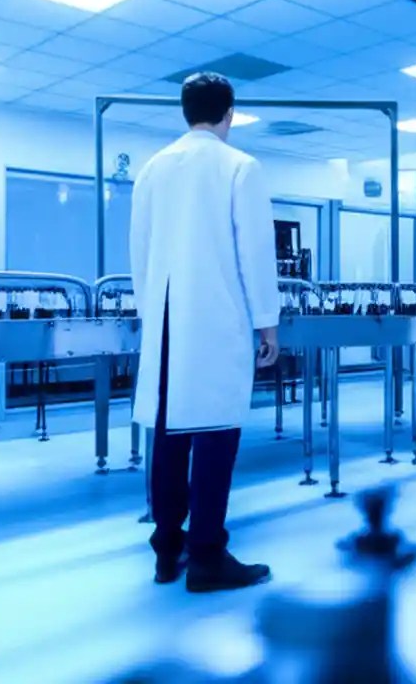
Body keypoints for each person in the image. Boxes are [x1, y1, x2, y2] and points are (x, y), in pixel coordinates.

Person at [129, 72, 280, 593]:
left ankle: (167, 551)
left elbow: (140, 252)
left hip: (166, 323)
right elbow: (255, 253)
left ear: (184, 111)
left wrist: (153, 318)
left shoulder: (153, 168)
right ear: (229, 114)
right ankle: (209, 556)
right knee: (215, 436)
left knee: (168, 439)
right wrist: (267, 323)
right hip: (217, 322)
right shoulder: (240, 166)